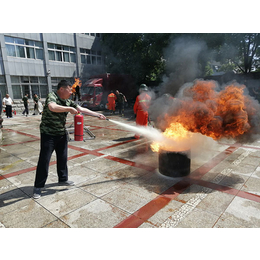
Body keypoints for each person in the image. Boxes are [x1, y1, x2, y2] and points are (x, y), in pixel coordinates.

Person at [33, 80, 107, 199]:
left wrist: (97, 115)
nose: (71, 92)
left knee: (62, 158)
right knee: (44, 160)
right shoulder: (52, 96)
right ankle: (38, 186)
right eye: (70, 90)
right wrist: (68, 109)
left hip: (61, 133)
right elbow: (52, 107)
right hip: (48, 134)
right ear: (61, 89)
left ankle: (63, 179)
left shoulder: (68, 101)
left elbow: (81, 109)